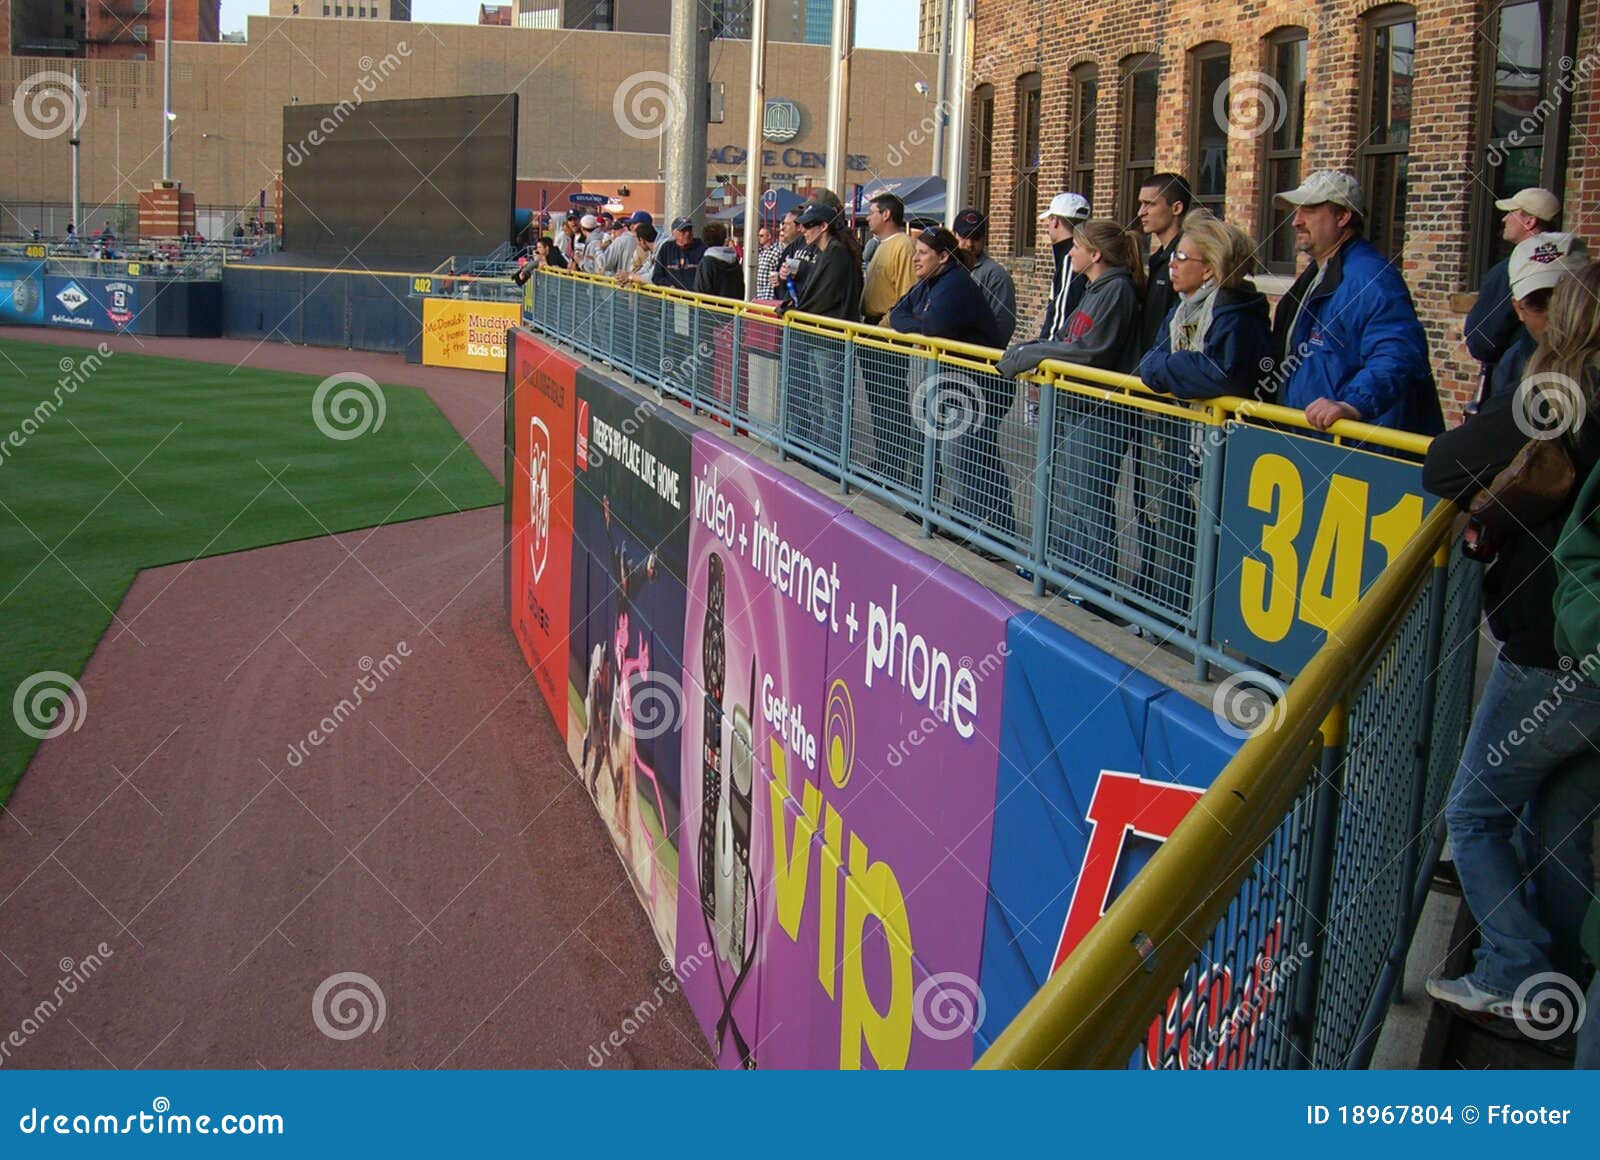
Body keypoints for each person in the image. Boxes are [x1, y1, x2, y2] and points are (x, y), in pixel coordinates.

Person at [1420, 260, 1600, 1023]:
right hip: (1576, 653)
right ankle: (1562, 977)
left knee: (1475, 814)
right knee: (1561, 826)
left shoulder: (1563, 393)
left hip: (1551, 649)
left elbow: (1444, 462)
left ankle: (1515, 972)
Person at [999, 218, 1145, 582]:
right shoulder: (1095, 288)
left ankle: (1092, 582)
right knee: (1065, 491)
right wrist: (1033, 349)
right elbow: (1066, 338)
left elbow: (1092, 351)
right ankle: (1063, 569)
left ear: (1095, 254)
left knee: (1088, 498)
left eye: (1077, 247)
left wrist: (1032, 355)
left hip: (1098, 412)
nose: (1072, 253)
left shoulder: (1118, 290)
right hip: (1073, 407)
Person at [1136, 216, 1272, 605]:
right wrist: (1177, 368)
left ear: (1209, 268)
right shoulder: (1181, 309)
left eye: (1181, 257)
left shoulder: (1236, 312)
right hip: (1189, 438)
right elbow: (1150, 361)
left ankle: (1206, 625)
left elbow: (1220, 376)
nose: (1172, 265)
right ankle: (1173, 610)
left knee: (1217, 536)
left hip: (1227, 445)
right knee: (1176, 525)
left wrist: (1172, 369)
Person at [1266, 169, 1442, 435]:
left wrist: (1352, 404)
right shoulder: (1318, 274)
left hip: (1354, 449)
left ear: (1343, 216)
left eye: (1310, 209)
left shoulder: (1369, 279)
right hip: (1317, 440)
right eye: (1297, 210)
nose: (1296, 221)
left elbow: (1399, 354)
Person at [890, 227, 1012, 551]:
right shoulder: (931, 281)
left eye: (923, 253)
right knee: (958, 455)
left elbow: (934, 327)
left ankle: (994, 536)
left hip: (981, 385)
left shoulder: (955, 283)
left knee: (969, 456)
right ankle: (969, 525)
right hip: (955, 383)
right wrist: (921, 323)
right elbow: (897, 314)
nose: (915, 258)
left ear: (943, 257)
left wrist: (921, 324)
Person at [780, 201, 863, 463]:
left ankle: (828, 464)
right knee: (819, 401)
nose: (803, 230)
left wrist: (797, 307)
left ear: (824, 226)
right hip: (818, 336)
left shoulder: (837, 253)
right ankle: (817, 457)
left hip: (829, 338)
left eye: (808, 225)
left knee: (832, 406)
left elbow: (825, 298)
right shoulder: (829, 252)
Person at [1001, 191, 1090, 426]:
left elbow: (1061, 317)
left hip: (1062, 368)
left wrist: (1042, 355)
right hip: (1069, 360)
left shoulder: (1071, 261)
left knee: (1054, 436)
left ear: (1056, 222)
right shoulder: (1074, 258)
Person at [1465, 187, 1560, 393]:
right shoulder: (1574, 264)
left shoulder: (1511, 270)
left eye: (1511, 212)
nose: (1504, 219)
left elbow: (1482, 341)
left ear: (1529, 221)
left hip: (1517, 387)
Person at [1483, 232, 1589, 402]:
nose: (1555, 316)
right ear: (1518, 309)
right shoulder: (1511, 368)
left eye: (1567, 300)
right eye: (1538, 303)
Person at [1136, 173, 1195, 355]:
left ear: (1176, 208)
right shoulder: (1159, 258)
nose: (1141, 212)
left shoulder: (1187, 259)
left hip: (1166, 367)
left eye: (1150, 204)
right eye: (1141, 203)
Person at [953, 207, 1017, 345]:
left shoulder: (996, 276)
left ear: (984, 239)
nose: (970, 244)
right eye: (965, 236)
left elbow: (1002, 327)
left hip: (975, 360)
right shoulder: (944, 268)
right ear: (955, 235)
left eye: (975, 238)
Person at [862, 193, 915, 326]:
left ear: (886, 214)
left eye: (871, 213)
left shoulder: (904, 246)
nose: (867, 218)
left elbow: (907, 295)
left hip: (887, 329)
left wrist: (884, 327)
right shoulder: (883, 244)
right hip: (873, 324)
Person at [652, 216, 705, 291]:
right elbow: (657, 276)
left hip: (696, 299)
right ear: (673, 233)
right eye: (683, 231)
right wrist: (669, 286)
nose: (687, 233)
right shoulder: (666, 248)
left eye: (689, 230)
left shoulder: (701, 246)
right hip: (673, 298)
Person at [694, 221, 744, 299]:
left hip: (712, 309)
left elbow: (701, 290)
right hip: (733, 308)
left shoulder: (707, 262)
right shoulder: (735, 261)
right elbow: (740, 288)